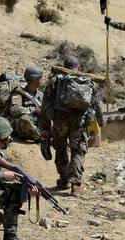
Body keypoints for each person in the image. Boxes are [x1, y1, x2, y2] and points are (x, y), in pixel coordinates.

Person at [40, 55, 103, 192]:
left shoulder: (55, 81)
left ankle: (64, 180)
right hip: (80, 121)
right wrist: (99, 123)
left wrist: (45, 126)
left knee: (61, 147)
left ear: (64, 67)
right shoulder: (90, 82)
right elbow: (96, 105)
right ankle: (75, 184)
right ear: (79, 67)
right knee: (78, 150)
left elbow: (46, 104)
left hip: (59, 120)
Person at [0, 66, 45, 141]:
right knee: (24, 118)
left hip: (36, 124)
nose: (42, 80)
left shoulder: (41, 95)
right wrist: (33, 110)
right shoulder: (19, 93)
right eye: (40, 78)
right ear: (34, 80)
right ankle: (39, 137)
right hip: (19, 126)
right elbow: (14, 109)